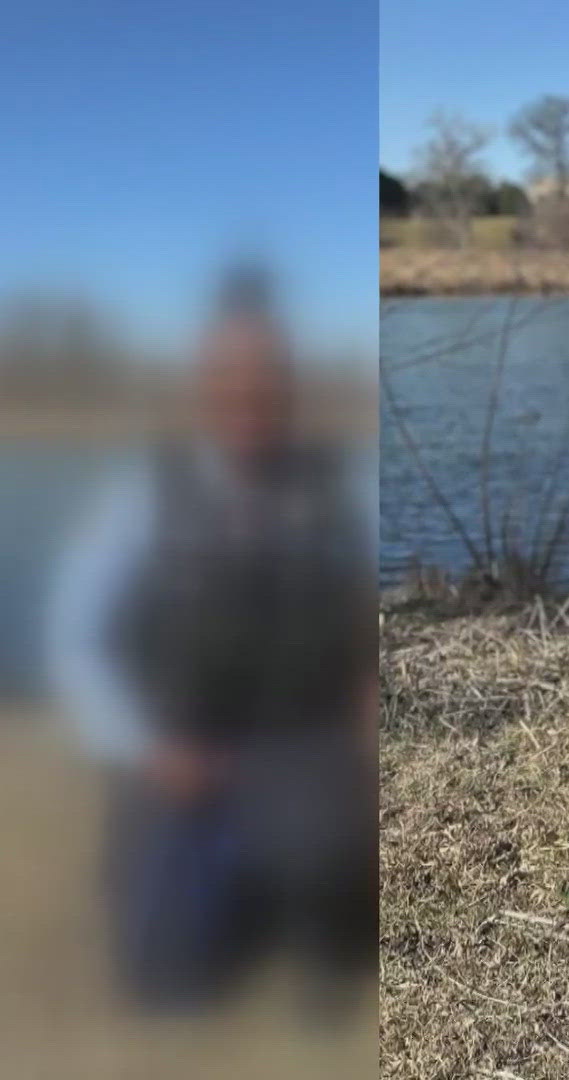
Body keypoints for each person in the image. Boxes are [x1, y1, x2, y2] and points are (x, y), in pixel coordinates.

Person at [44, 265, 377, 1016]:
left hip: (303, 751)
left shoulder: (337, 489)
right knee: (166, 985)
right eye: (231, 377)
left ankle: (308, 897)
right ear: (204, 385)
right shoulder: (141, 496)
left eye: (266, 380)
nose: (249, 396)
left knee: (339, 932)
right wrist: (145, 747)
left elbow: (371, 607)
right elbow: (76, 640)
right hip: (183, 761)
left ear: (287, 389)